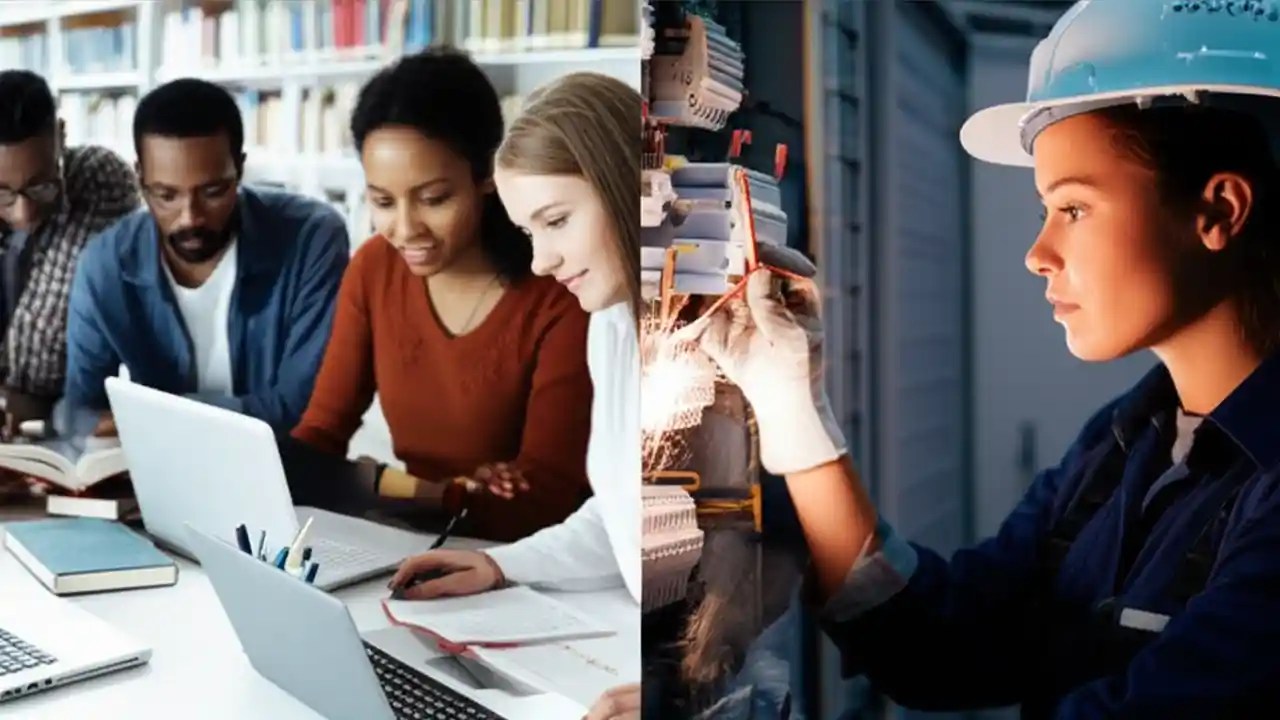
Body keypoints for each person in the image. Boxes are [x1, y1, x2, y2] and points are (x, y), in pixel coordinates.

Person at [680, 2, 1280, 717]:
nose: (1038, 255)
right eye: (1042, 212)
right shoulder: (1125, 441)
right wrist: (797, 417)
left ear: (1218, 211)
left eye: (1076, 209)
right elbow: (948, 641)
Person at [382, 71, 641, 720]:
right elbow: (621, 520)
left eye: (556, 221)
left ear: (627, 187)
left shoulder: (717, 341)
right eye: (529, 232)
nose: (542, 262)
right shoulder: (610, 324)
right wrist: (501, 567)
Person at [289, 48, 594, 543]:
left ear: (486, 179)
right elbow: (322, 434)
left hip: (532, 563)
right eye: (383, 201)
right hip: (414, 538)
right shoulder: (373, 268)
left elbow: (543, 500)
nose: (406, 229)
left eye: (434, 199)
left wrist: (382, 488)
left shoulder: (559, 292)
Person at [62, 78, 349, 436]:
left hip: (284, 474)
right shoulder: (105, 264)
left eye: (212, 192)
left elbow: (304, 408)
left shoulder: (311, 238)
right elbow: (80, 409)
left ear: (240, 170)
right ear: (140, 179)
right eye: (166, 195)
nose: (190, 217)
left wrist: (150, 417)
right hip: (159, 472)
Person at [0, 70, 139, 436]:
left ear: (61, 136)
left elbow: (41, 356)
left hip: (67, 425)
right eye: (2, 194)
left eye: (41, 186)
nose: (22, 213)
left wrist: (13, 398)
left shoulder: (99, 179)